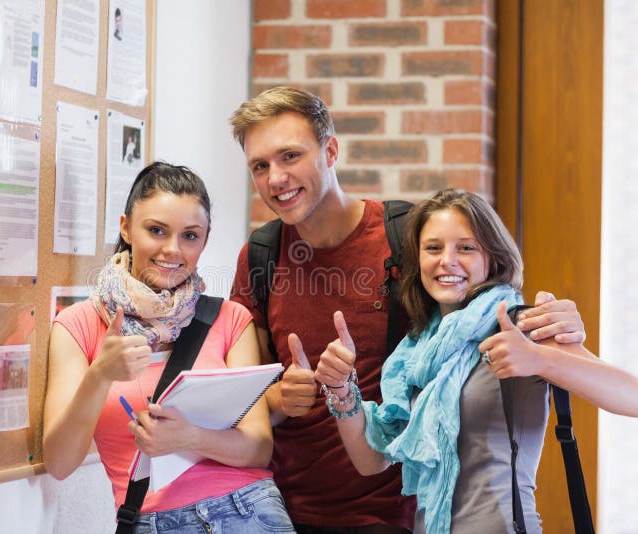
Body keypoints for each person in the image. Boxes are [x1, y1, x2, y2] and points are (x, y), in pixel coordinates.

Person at [228, 87, 585, 533]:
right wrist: (279, 397)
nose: (276, 178)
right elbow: (239, 394)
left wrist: (557, 324)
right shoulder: (259, 257)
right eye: (260, 166)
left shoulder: (404, 237)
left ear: (331, 151)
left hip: (405, 512)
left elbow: (482, 308)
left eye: (290, 156)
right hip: (286, 512)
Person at [314, 188, 591, 532]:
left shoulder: (522, 325)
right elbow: (371, 461)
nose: (447, 260)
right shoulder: (417, 352)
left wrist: (541, 360)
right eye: (433, 248)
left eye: (466, 247)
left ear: (493, 257)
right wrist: (341, 389)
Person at [43, 161, 295, 533]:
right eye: (156, 230)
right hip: (153, 520)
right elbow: (60, 464)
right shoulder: (78, 325)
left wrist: (190, 438)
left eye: (190, 236)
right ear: (126, 228)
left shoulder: (228, 318)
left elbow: (259, 447)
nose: (172, 250)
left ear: (205, 240)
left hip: (250, 511)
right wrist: (99, 376)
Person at [479, 302, 638, 417]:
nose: (452, 261)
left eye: (466, 252)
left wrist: (540, 358)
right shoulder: (454, 330)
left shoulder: (523, 324)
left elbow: (633, 396)